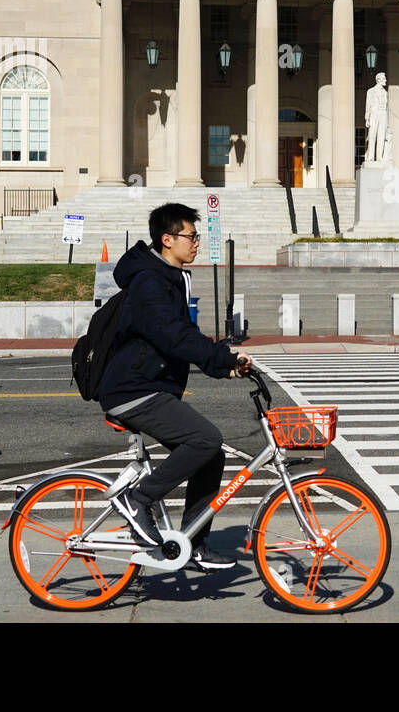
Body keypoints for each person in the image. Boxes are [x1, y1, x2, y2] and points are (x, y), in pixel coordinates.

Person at [98, 202, 252, 571]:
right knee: (205, 439)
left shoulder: (168, 276)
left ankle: (195, 544)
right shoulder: (150, 282)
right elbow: (173, 336)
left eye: (197, 236)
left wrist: (222, 365)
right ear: (167, 240)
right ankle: (139, 499)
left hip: (149, 386)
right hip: (133, 390)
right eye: (191, 236)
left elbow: (182, 337)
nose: (196, 243)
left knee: (210, 455)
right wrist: (223, 359)